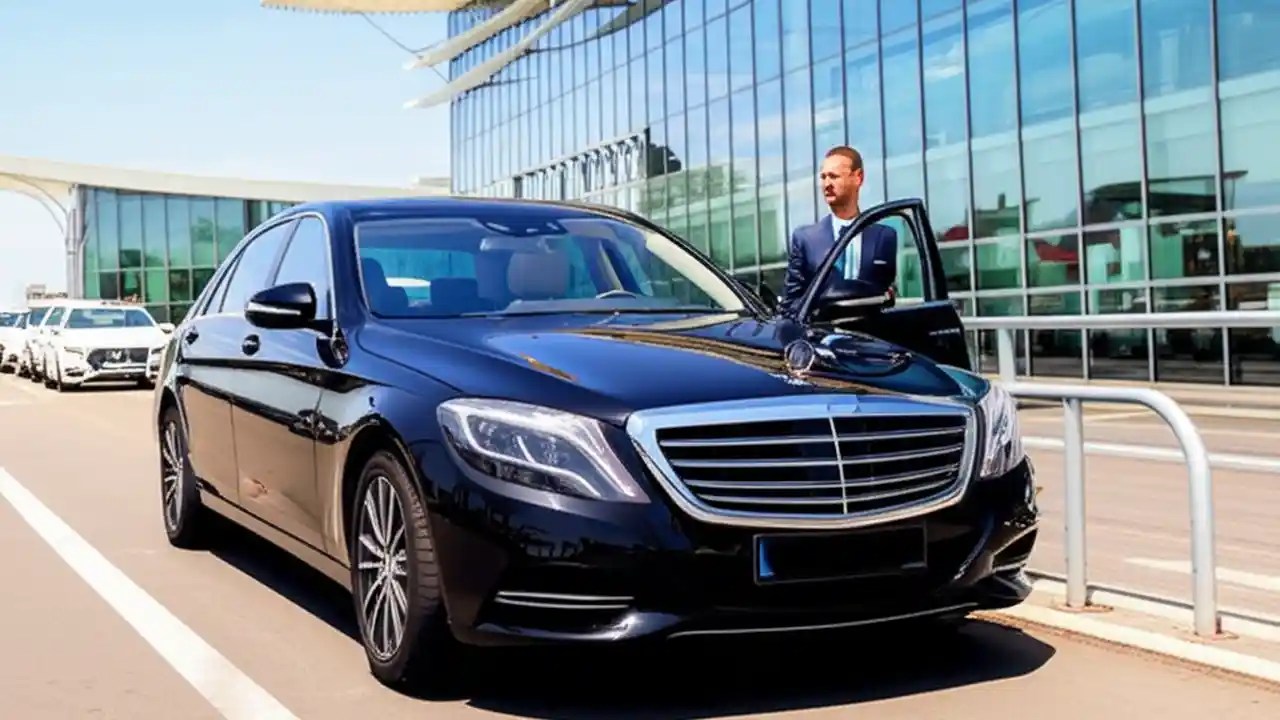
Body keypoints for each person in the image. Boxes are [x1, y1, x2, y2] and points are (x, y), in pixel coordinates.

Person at [780, 146, 897, 314]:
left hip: (870, 329)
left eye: (834, 176)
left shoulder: (884, 237)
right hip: (821, 329)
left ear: (858, 177)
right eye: (823, 177)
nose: (827, 184)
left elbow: (886, 297)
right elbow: (790, 304)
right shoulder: (805, 239)